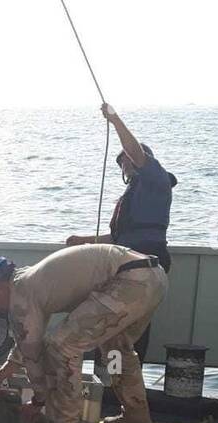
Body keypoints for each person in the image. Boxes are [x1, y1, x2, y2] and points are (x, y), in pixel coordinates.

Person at [0, 245, 169, 423]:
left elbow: (31, 355)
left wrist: (38, 401)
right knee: (116, 350)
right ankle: (136, 418)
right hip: (152, 278)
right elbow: (27, 344)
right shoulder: (31, 281)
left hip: (127, 283)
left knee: (62, 346)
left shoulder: (20, 295)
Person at [66, 104, 176, 364]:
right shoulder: (133, 194)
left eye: (127, 159)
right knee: (115, 325)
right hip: (125, 262)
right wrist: (83, 241)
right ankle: (112, 381)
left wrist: (115, 121)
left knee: (131, 327)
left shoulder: (155, 180)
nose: (125, 164)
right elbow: (118, 237)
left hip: (145, 262)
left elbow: (136, 152)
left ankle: (124, 382)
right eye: (122, 162)